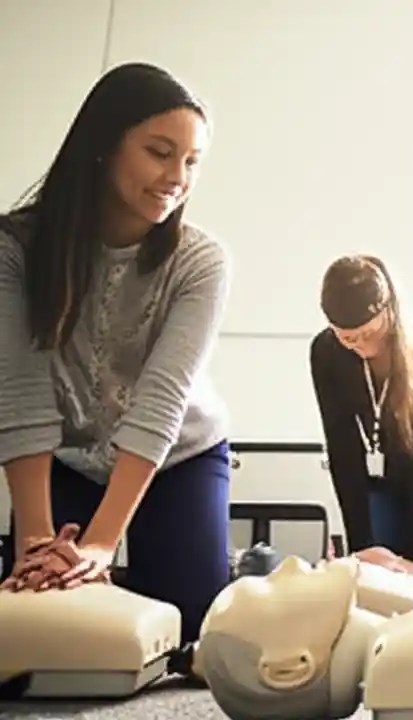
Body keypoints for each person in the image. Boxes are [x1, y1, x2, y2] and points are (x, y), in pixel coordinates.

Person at [0, 62, 230, 643]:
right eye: (160, 152)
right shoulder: (15, 249)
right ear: (104, 146)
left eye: (192, 161)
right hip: (67, 454)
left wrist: (101, 544)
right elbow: (20, 391)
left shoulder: (202, 262)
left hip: (176, 453)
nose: (177, 176)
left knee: (189, 625)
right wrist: (34, 542)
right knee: (41, 623)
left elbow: (163, 399)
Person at [310, 254, 413, 585]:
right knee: (374, 581)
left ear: (389, 310)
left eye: (370, 332)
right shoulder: (326, 352)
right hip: (373, 481)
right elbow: (342, 447)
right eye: (348, 338)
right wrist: (360, 550)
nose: (361, 346)